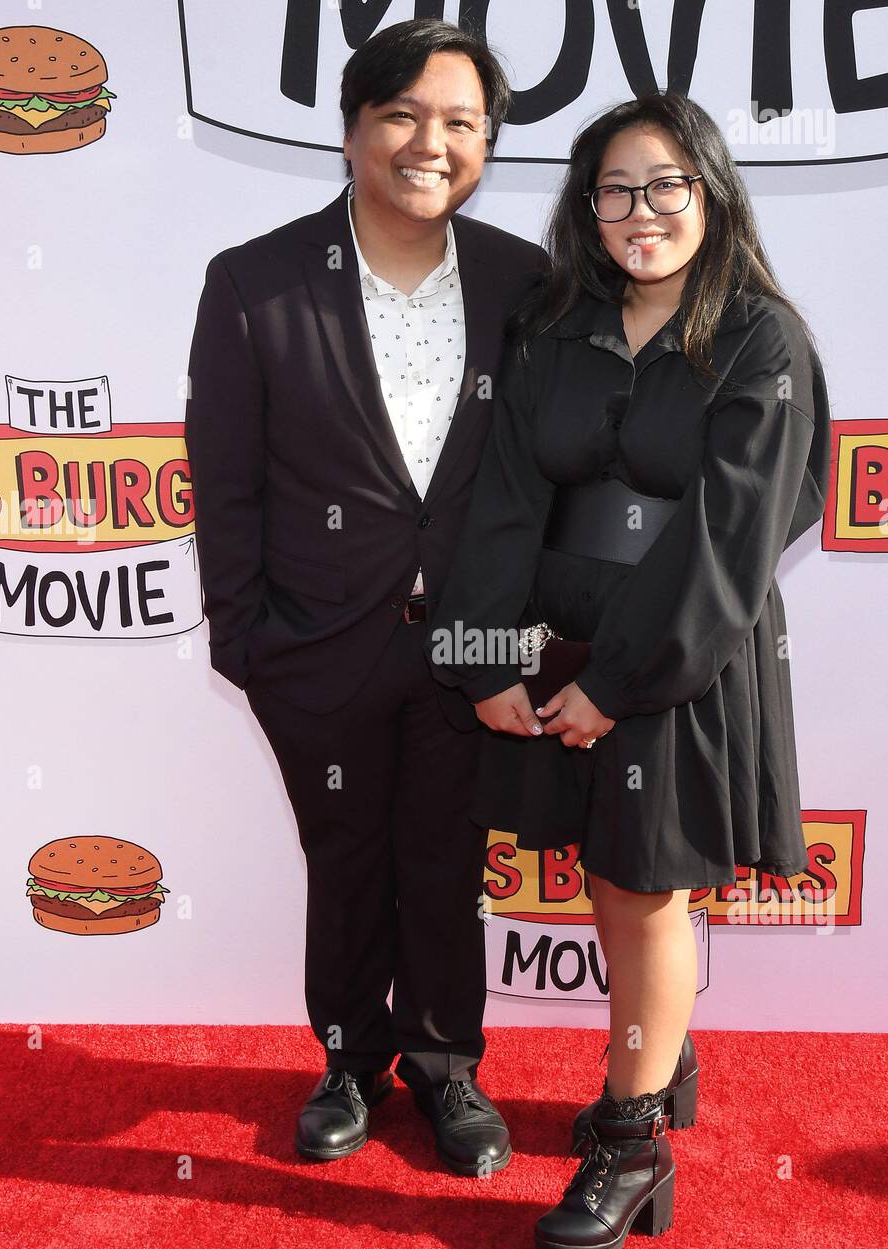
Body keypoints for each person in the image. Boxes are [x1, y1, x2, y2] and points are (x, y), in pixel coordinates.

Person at [428, 90, 832, 1249]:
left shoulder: (762, 335)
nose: (639, 211)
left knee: (647, 886)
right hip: (558, 629)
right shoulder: (554, 322)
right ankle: (664, 1052)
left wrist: (621, 676)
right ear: (583, 203)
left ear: (707, 192)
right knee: (612, 876)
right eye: (613, 188)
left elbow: (734, 531)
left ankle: (631, 1136)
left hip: (680, 646)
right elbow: (506, 495)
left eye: (666, 186)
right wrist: (482, 652)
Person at [185, 19, 547, 1176]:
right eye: (400, 115)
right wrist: (248, 641)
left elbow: (542, 481)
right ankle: (347, 1061)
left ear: (485, 143)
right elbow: (225, 481)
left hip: (473, 645)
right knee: (344, 856)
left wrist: (516, 639)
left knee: (445, 857)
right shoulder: (254, 282)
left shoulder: (523, 284)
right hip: (315, 644)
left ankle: (446, 1067)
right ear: (351, 131)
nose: (428, 143)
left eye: (458, 123)